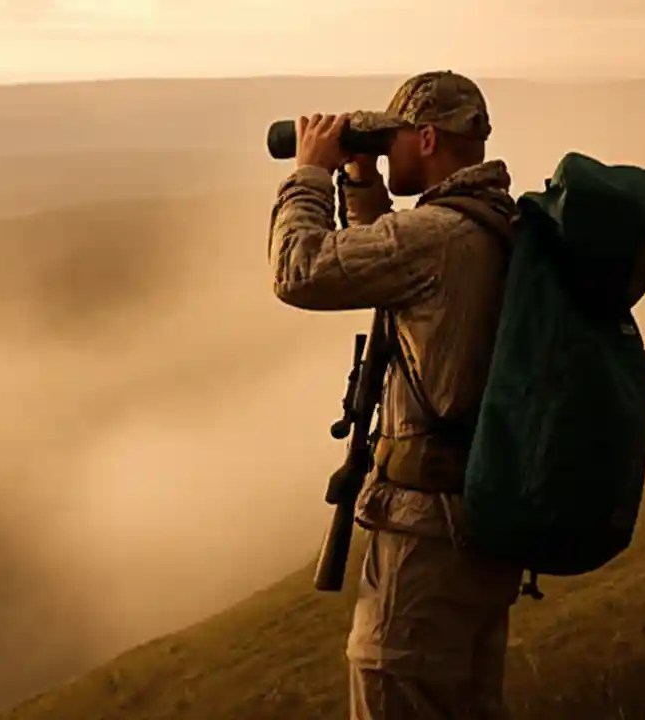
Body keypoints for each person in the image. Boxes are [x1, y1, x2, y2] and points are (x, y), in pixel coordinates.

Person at [267, 70, 525, 719]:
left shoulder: (437, 235)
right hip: (478, 526)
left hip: (424, 543)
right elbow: (399, 272)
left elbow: (299, 271)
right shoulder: (495, 221)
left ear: (428, 138)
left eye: (394, 138)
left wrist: (309, 176)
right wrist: (361, 183)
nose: (386, 150)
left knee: (397, 690)